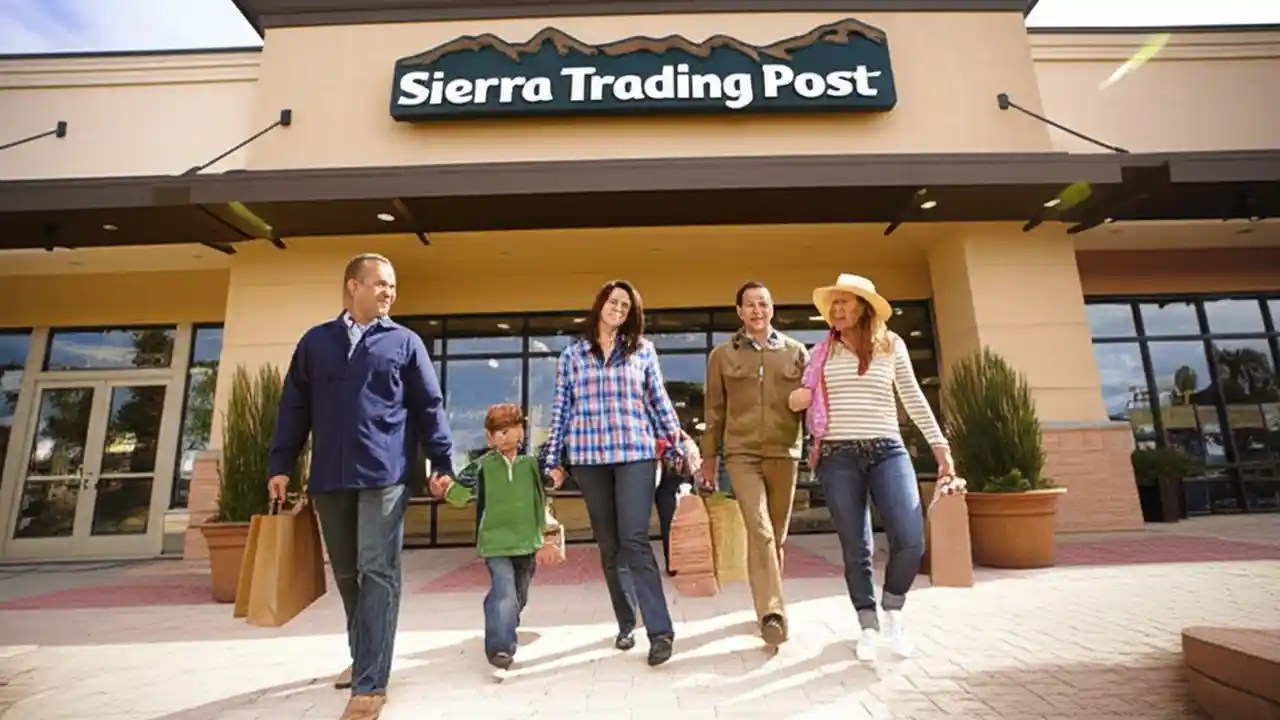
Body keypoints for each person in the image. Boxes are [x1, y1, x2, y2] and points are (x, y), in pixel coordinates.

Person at [267, 253, 456, 720]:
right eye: (380, 284)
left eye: (393, 285)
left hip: (384, 475)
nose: (389, 292)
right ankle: (364, 655)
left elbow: (429, 406)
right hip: (329, 478)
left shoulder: (404, 342)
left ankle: (371, 681)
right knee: (349, 574)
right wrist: (281, 464)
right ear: (353, 286)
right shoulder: (316, 343)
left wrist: (443, 460)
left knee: (378, 571)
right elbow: (294, 407)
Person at [789, 273, 964, 662]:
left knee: (911, 537)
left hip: (888, 450)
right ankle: (868, 624)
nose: (836, 310)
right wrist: (798, 398)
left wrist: (941, 449)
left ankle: (894, 609)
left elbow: (914, 398)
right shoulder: (820, 353)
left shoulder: (892, 345)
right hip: (838, 456)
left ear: (864, 307)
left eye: (844, 302)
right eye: (832, 304)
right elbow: (801, 397)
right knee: (857, 546)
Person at [540, 279, 697, 667]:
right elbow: (561, 412)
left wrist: (677, 444)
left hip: (636, 455)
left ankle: (660, 632)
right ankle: (627, 621)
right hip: (589, 459)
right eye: (613, 302)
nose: (618, 309)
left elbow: (659, 403)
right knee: (610, 546)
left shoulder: (642, 352)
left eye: (626, 306)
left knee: (634, 538)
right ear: (600, 306)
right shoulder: (573, 356)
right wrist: (553, 461)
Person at [700, 281, 809, 648]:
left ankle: (763, 603)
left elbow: (814, 406)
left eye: (763, 304)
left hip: (784, 451)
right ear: (739, 312)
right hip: (742, 453)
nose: (757, 311)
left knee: (775, 538)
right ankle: (773, 615)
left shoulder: (797, 353)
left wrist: (818, 445)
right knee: (759, 530)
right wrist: (709, 460)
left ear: (772, 308)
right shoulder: (723, 356)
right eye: (749, 305)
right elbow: (714, 411)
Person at [429, 403, 560, 670]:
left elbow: (550, 481)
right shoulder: (482, 466)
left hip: (528, 541)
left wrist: (558, 476)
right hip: (495, 542)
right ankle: (500, 647)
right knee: (504, 591)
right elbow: (462, 492)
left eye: (507, 429)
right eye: (495, 431)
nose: (502, 436)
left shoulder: (532, 463)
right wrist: (444, 489)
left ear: (520, 431)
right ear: (489, 437)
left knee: (518, 595)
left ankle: (500, 615)